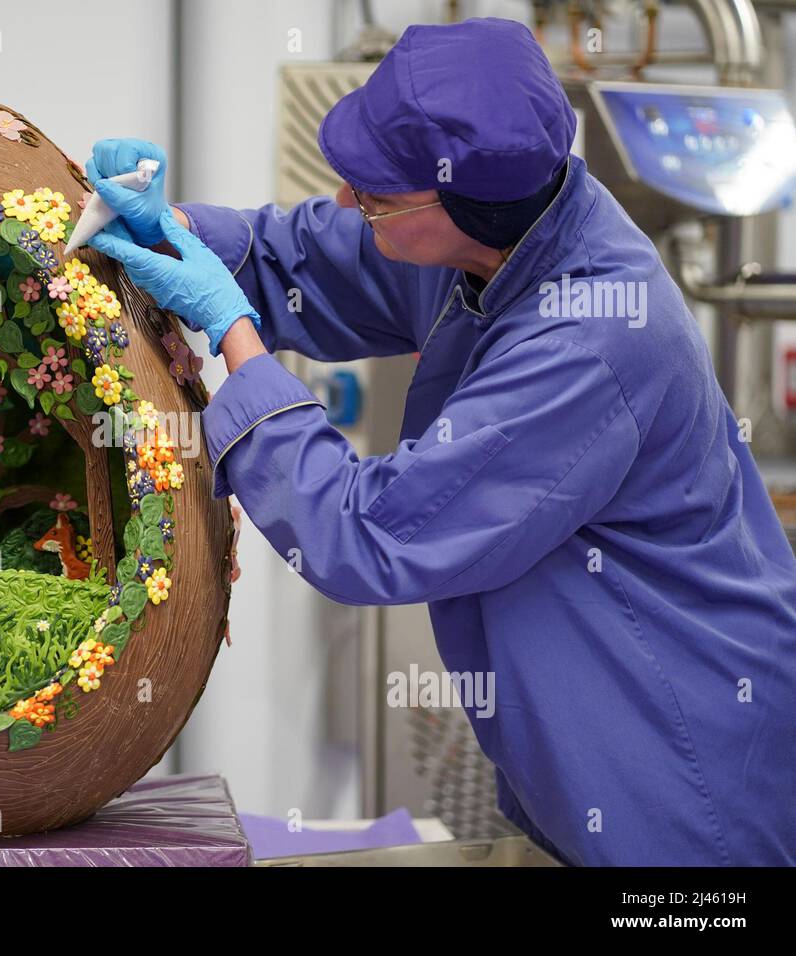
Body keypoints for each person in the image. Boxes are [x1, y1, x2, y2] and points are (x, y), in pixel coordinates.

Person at [85, 17, 796, 866]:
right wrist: (171, 231)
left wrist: (233, 336)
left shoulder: (593, 341)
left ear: (460, 206)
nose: (350, 201)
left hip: (684, 788)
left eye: (377, 195)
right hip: (585, 781)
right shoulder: (497, 235)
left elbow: (368, 534)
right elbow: (299, 258)